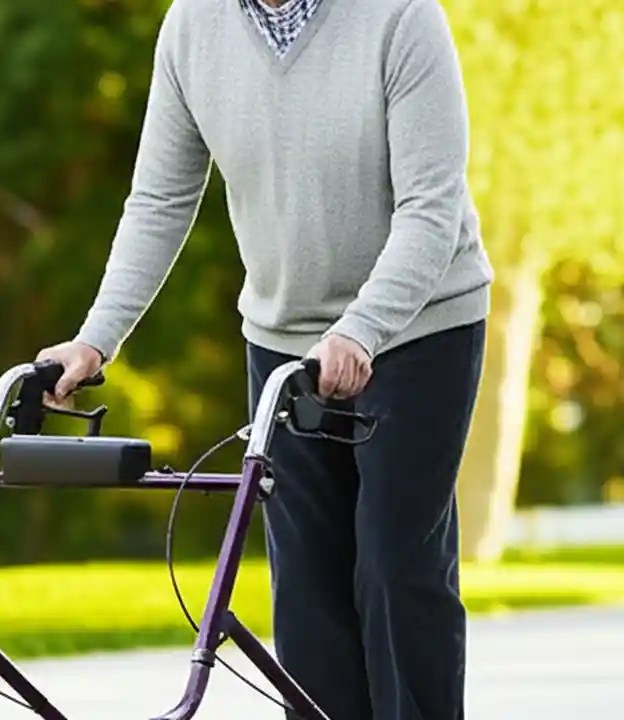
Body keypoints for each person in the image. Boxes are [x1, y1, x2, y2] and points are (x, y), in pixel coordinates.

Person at [36, 0, 492, 716]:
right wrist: (95, 339)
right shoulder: (193, 26)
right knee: (306, 589)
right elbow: (159, 198)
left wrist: (362, 328)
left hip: (418, 329)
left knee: (394, 566)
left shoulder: (401, 18)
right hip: (284, 342)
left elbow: (431, 208)